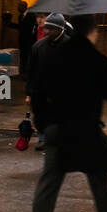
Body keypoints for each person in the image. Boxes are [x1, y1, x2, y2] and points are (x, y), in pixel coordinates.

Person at [31, 14, 107, 212]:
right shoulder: (97, 60)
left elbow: (37, 92)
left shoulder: (53, 56)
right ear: (92, 32)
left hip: (58, 127)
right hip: (88, 130)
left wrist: (43, 124)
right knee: (101, 187)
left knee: (48, 185)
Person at [27, 12, 72, 150]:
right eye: (46, 28)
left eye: (50, 28)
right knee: (40, 114)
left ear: (60, 29)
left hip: (62, 89)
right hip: (41, 88)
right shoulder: (38, 46)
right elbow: (31, 71)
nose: (46, 31)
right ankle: (42, 138)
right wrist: (29, 93)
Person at [17, 1, 37, 74]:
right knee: (23, 56)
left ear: (25, 7)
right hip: (22, 40)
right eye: (18, 6)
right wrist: (9, 24)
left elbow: (32, 28)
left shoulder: (31, 15)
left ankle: (29, 72)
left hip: (30, 40)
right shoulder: (20, 16)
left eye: (20, 6)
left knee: (29, 56)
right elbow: (20, 27)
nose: (18, 8)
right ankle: (24, 72)